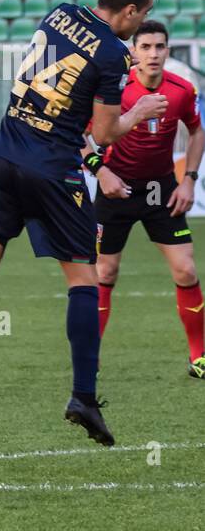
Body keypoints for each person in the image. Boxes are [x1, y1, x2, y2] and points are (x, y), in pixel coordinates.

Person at [0, 0, 166, 446]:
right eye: (145, 15)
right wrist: (139, 112)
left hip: (1, 157)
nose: (143, 28)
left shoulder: (59, 14)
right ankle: (83, 397)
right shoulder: (115, 54)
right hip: (53, 171)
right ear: (131, 10)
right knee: (83, 279)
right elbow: (102, 133)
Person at [85, 19, 205, 376]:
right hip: (115, 189)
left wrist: (189, 180)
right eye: (146, 47)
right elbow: (78, 134)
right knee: (105, 271)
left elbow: (196, 132)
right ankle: (90, 359)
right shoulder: (113, 90)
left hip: (161, 190)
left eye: (160, 47)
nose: (153, 54)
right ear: (134, 51)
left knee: (185, 270)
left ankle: (199, 356)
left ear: (168, 51)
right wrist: (101, 171)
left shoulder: (182, 90)